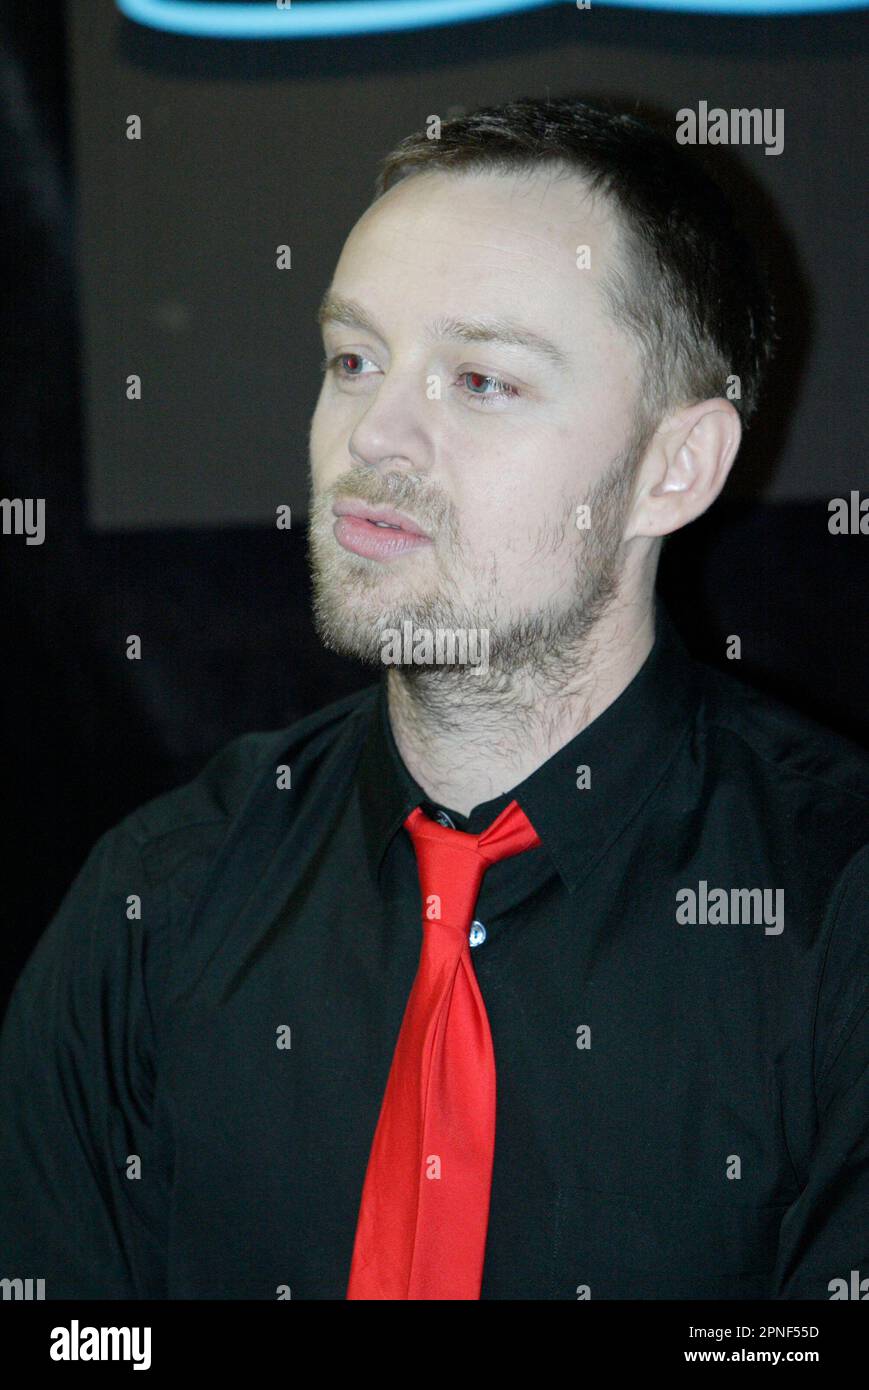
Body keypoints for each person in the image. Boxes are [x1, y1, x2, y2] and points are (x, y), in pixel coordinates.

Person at [1, 97, 866, 1301]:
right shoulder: (155, 903)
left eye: (479, 379)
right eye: (353, 360)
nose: (374, 434)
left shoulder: (834, 921)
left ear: (671, 469)